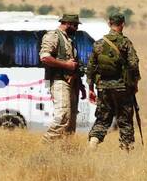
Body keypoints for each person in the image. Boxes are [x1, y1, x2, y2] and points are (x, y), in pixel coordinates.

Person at [86, 11, 141, 150]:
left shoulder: (98, 44)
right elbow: (134, 64)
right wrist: (134, 84)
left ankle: (93, 141)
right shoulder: (125, 43)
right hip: (122, 88)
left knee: (102, 119)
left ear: (109, 24)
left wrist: (91, 88)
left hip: (103, 88)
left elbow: (91, 67)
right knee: (125, 120)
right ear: (123, 24)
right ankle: (126, 150)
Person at [40, 13, 84, 143]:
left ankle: (65, 154)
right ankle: (45, 144)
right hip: (59, 81)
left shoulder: (70, 40)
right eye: (75, 25)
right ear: (68, 24)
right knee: (62, 116)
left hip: (72, 83)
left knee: (71, 122)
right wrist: (66, 65)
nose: (77, 28)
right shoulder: (53, 36)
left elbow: (74, 65)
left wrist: (80, 85)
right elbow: (45, 57)